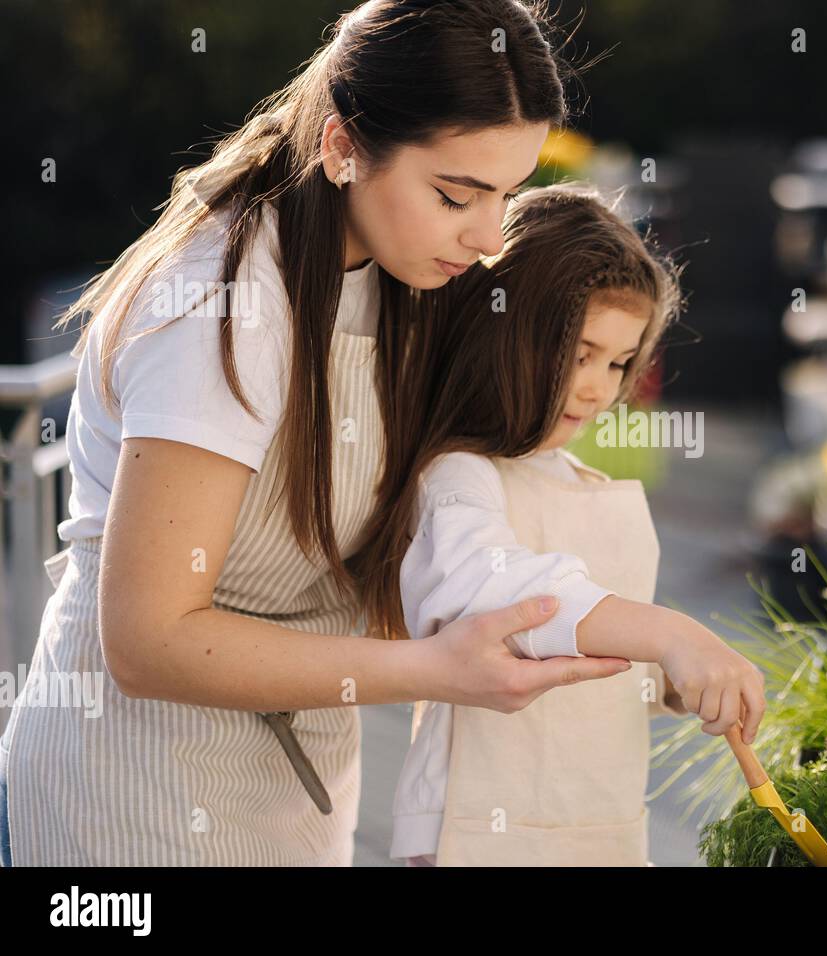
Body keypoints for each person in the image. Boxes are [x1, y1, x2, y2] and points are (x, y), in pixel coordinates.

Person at [0, 0, 643, 867]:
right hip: (129, 799)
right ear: (341, 146)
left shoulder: (392, 269)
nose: (489, 236)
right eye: (456, 194)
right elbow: (149, 642)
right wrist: (435, 669)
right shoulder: (218, 306)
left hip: (295, 790)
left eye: (507, 195)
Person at [390, 185, 765, 866]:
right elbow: (503, 594)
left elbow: (582, 668)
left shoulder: (575, 480)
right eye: (581, 352)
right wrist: (673, 633)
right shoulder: (459, 474)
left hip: (599, 825)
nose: (599, 387)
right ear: (502, 331)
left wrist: (668, 680)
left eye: (620, 362)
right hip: (485, 833)